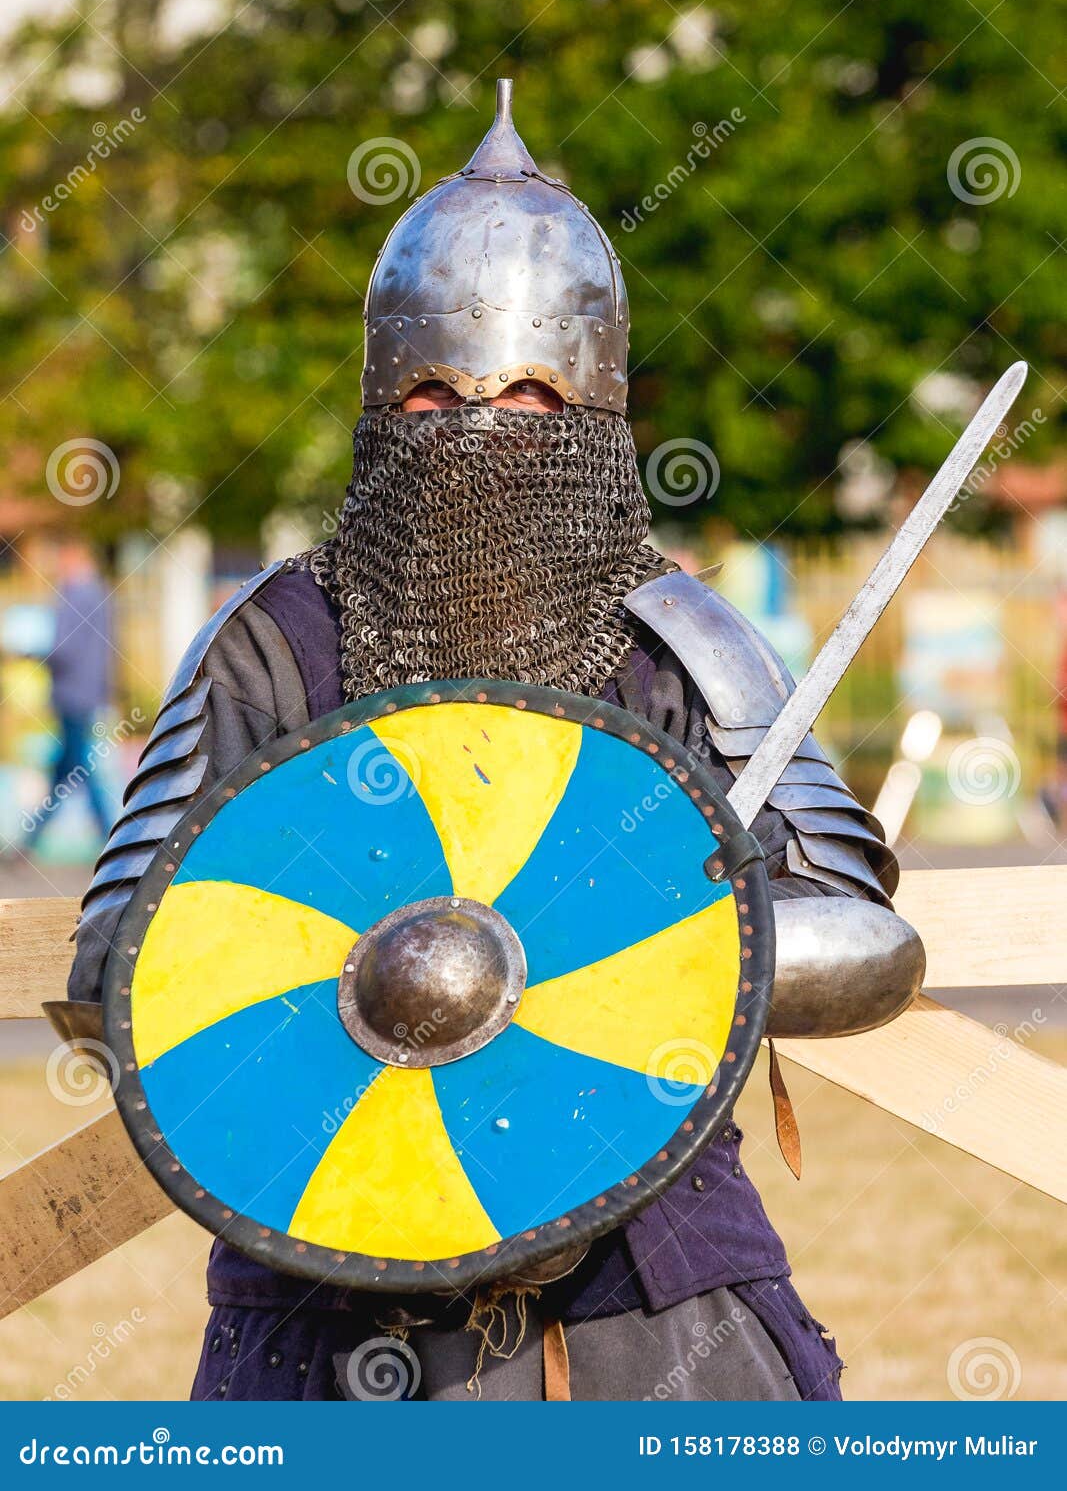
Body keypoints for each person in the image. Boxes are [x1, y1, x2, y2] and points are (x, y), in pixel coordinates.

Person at [55, 81, 921, 1402]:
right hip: (327, 1269)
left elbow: (857, 939)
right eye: (429, 392)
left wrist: (613, 944)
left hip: (644, 1267)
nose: (475, 424)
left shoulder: (683, 639)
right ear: (374, 399)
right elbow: (123, 950)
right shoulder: (277, 638)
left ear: (591, 406)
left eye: (524, 392)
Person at [23, 539, 113, 853]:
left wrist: (33, 654)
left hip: (73, 693)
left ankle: (111, 838)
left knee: (79, 769)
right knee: (68, 768)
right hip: (85, 692)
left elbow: (66, 648)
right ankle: (30, 839)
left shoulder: (77, 593)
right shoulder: (98, 592)